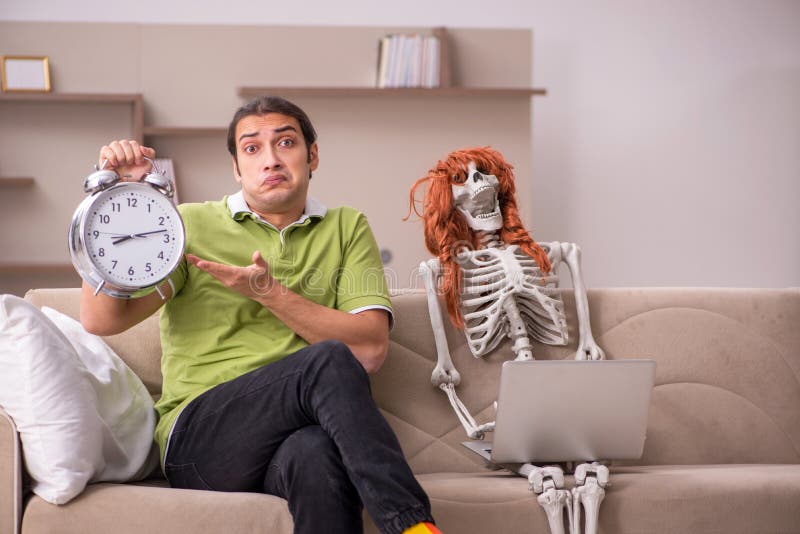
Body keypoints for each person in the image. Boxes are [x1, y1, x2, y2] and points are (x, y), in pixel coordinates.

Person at [80, 96, 440, 534]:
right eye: (252, 148)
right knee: (326, 359)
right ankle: (413, 527)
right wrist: (115, 196)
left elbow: (368, 349)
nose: (270, 159)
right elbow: (102, 320)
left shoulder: (348, 227)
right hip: (199, 442)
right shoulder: (189, 225)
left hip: (289, 442)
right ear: (236, 167)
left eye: (285, 142)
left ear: (313, 155)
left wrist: (267, 292)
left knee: (316, 454)